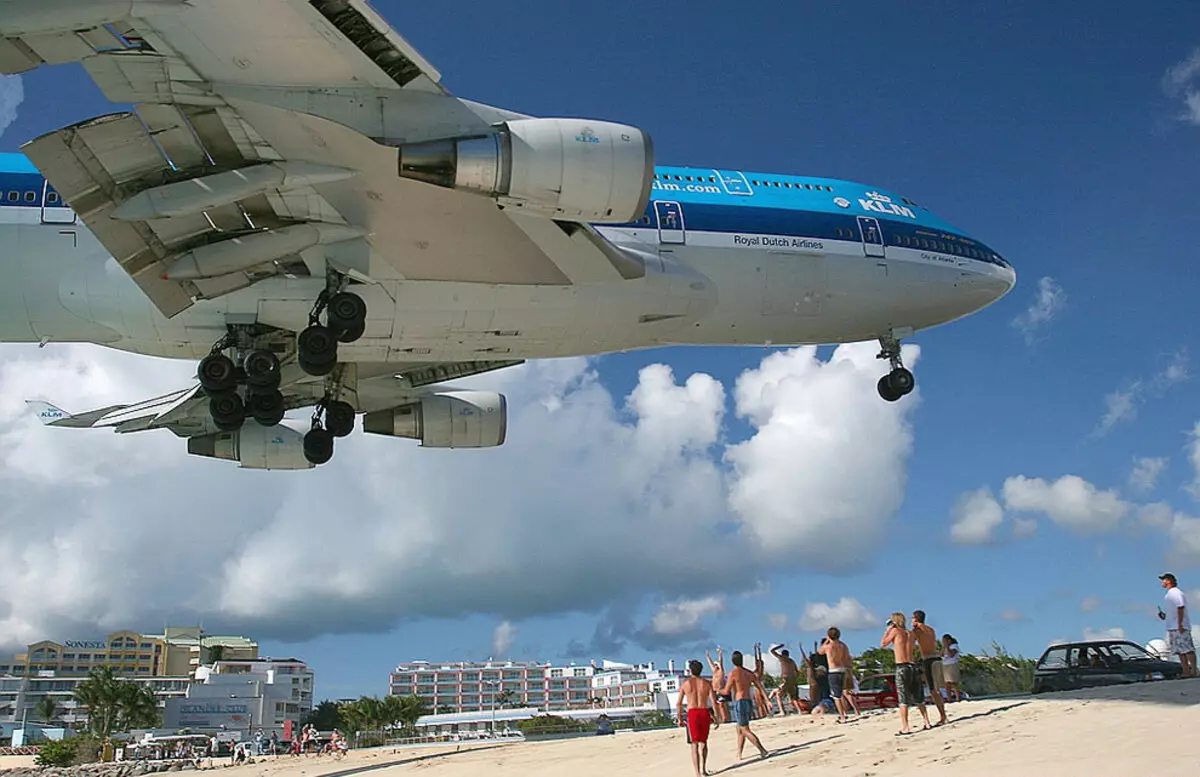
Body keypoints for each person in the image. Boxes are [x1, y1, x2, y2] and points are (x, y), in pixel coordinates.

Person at [882, 612, 931, 736]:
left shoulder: (895, 632)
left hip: (902, 666)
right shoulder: (910, 633)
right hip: (913, 665)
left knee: (903, 698)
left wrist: (888, 631)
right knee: (918, 696)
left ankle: (905, 726)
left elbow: (883, 644)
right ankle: (927, 721)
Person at [720, 651, 769, 761]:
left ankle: (762, 750)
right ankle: (739, 753)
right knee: (740, 728)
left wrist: (718, 690)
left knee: (744, 729)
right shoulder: (749, 673)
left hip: (740, 701)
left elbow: (726, 691)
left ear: (732, 661)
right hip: (748, 701)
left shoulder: (733, 673)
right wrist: (767, 700)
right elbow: (760, 686)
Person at [677, 659, 719, 777]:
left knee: (694, 744)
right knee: (704, 742)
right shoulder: (706, 683)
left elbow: (679, 703)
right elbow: (713, 701)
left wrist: (679, 718)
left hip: (692, 713)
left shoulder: (686, 683)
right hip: (704, 712)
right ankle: (704, 769)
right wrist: (716, 716)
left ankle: (697, 773)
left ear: (690, 670)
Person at [911, 610, 948, 725]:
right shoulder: (930, 629)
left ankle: (943, 716)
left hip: (929, 659)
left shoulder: (917, 630)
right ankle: (943, 715)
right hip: (936, 658)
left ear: (915, 619)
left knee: (933, 690)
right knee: (936, 689)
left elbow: (910, 642)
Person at [1158, 573, 1196, 678]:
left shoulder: (1176, 593)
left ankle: (1194, 670)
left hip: (1179, 626)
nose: (1162, 582)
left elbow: (1180, 607)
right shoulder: (1169, 595)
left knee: (1187, 649)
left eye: (1164, 580)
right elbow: (1173, 611)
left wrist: (1180, 624)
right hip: (1172, 626)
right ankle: (1186, 671)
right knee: (1180, 651)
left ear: (1169, 581)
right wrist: (1164, 616)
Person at [819, 627, 857, 723]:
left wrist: (827, 640)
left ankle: (842, 716)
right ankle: (852, 711)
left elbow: (820, 652)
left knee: (836, 695)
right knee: (845, 692)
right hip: (843, 670)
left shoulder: (828, 646)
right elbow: (847, 658)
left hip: (833, 671)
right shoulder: (843, 645)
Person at [769, 643, 803, 715]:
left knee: (779, 695)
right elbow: (797, 672)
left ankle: (782, 711)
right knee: (793, 697)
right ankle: (799, 711)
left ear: (783, 655)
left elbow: (772, 651)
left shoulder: (782, 658)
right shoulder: (792, 661)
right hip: (793, 680)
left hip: (786, 679)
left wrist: (779, 646)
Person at [705, 648, 729, 723]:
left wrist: (720, 654)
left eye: (716, 665)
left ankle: (725, 719)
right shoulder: (714, 673)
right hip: (715, 691)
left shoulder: (721, 672)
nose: (714, 666)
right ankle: (721, 719)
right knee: (717, 706)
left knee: (722, 705)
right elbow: (710, 664)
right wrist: (708, 656)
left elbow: (721, 663)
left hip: (720, 690)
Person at [941, 634, 962, 702]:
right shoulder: (944, 647)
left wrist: (947, 647)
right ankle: (949, 698)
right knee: (947, 683)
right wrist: (943, 648)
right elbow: (941, 654)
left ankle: (958, 697)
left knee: (953, 682)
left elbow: (951, 655)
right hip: (945, 665)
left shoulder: (954, 646)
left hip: (952, 664)